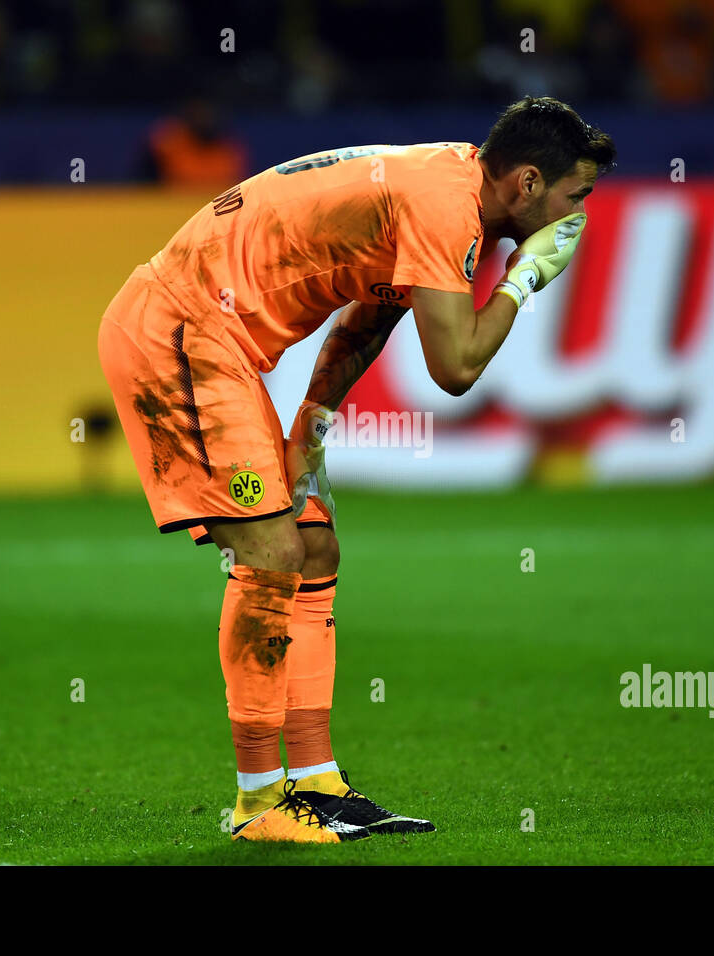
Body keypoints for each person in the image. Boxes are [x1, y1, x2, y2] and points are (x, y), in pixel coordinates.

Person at [97, 96, 614, 843]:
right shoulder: (444, 207)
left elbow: (372, 312)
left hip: (221, 345)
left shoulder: (444, 188)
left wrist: (311, 422)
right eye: (575, 197)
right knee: (271, 552)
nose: (578, 219)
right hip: (179, 331)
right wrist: (523, 279)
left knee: (314, 547)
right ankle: (256, 806)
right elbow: (456, 366)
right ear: (528, 183)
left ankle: (316, 785)